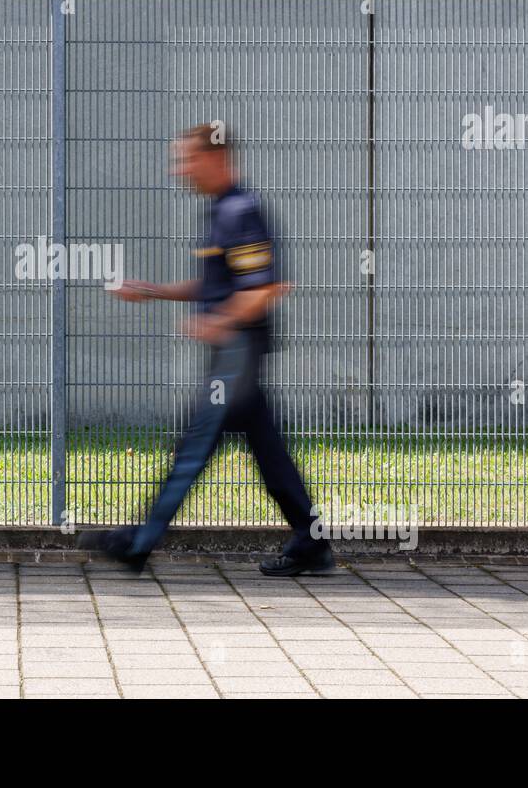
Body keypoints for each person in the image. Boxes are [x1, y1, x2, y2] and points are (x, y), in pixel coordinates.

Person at [78, 123, 335, 577]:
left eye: (187, 159)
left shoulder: (240, 211)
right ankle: (310, 540)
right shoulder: (219, 212)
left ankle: (137, 543)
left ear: (216, 158)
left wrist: (220, 321)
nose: (179, 169)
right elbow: (217, 285)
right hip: (234, 353)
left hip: (236, 352)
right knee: (268, 451)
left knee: (193, 447)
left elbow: (267, 286)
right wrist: (155, 291)